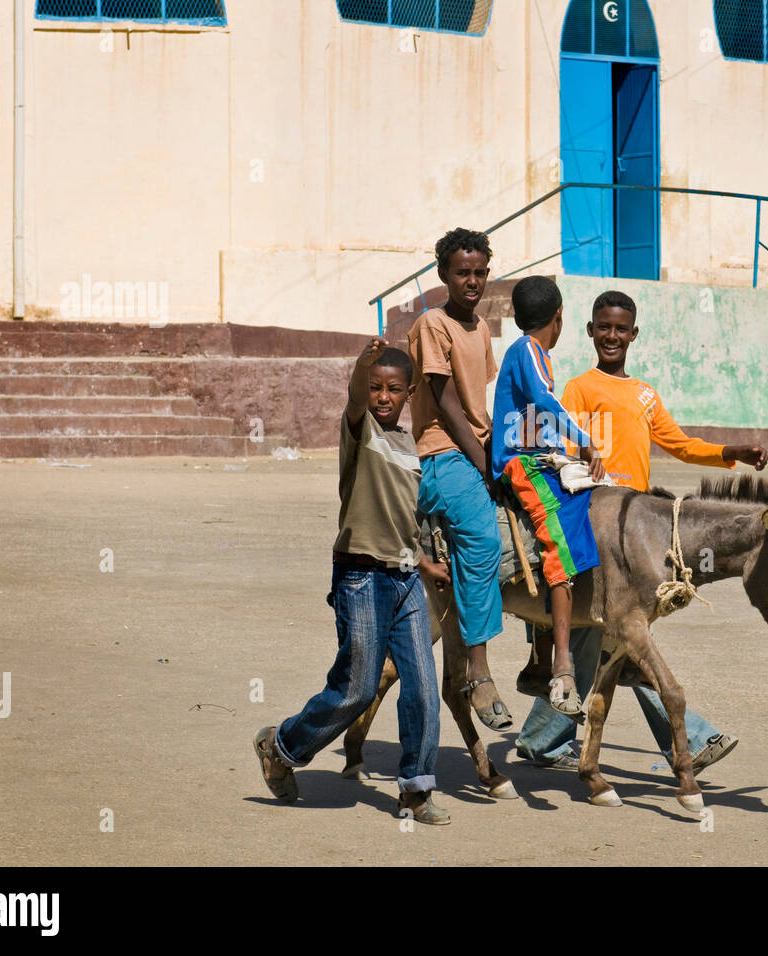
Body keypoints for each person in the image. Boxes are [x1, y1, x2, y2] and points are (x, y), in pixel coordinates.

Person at [515, 289, 768, 773]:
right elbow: (560, 442)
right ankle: (687, 741)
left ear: (634, 334)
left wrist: (730, 451)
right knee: (626, 641)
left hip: (641, 533)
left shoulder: (644, 394)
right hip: (599, 524)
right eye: (603, 327)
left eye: (621, 328)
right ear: (590, 331)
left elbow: (682, 444)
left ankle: (541, 740)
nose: (612, 336)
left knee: (617, 643)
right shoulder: (578, 388)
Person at [253, 338, 452, 825]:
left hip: (404, 580)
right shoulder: (360, 431)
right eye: (375, 387)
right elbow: (355, 400)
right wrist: (361, 366)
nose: (383, 396)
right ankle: (281, 746)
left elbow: (406, 518)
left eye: (394, 389)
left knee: (423, 685)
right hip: (361, 577)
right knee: (358, 688)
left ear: (410, 393)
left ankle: (416, 789)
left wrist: (425, 563)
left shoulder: (409, 447)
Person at [407, 228, 512, 731]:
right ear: (443, 275)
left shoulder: (482, 330)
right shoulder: (433, 323)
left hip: (474, 446)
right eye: (461, 273)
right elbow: (446, 402)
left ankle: (544, 664)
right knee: (484, 538)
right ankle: (480, 669)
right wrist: (484, 463)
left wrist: (502, 453)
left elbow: (480, 406)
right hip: (442, 453)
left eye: (479, 272)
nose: (472, 281)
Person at [491, 275, 606, 718]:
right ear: (558, 316)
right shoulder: (528, 352)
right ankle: (560, 664)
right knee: (557, 537)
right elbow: (542, 402)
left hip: (542, 455)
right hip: (524, 463)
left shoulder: (531, 351)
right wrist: (585, 441)